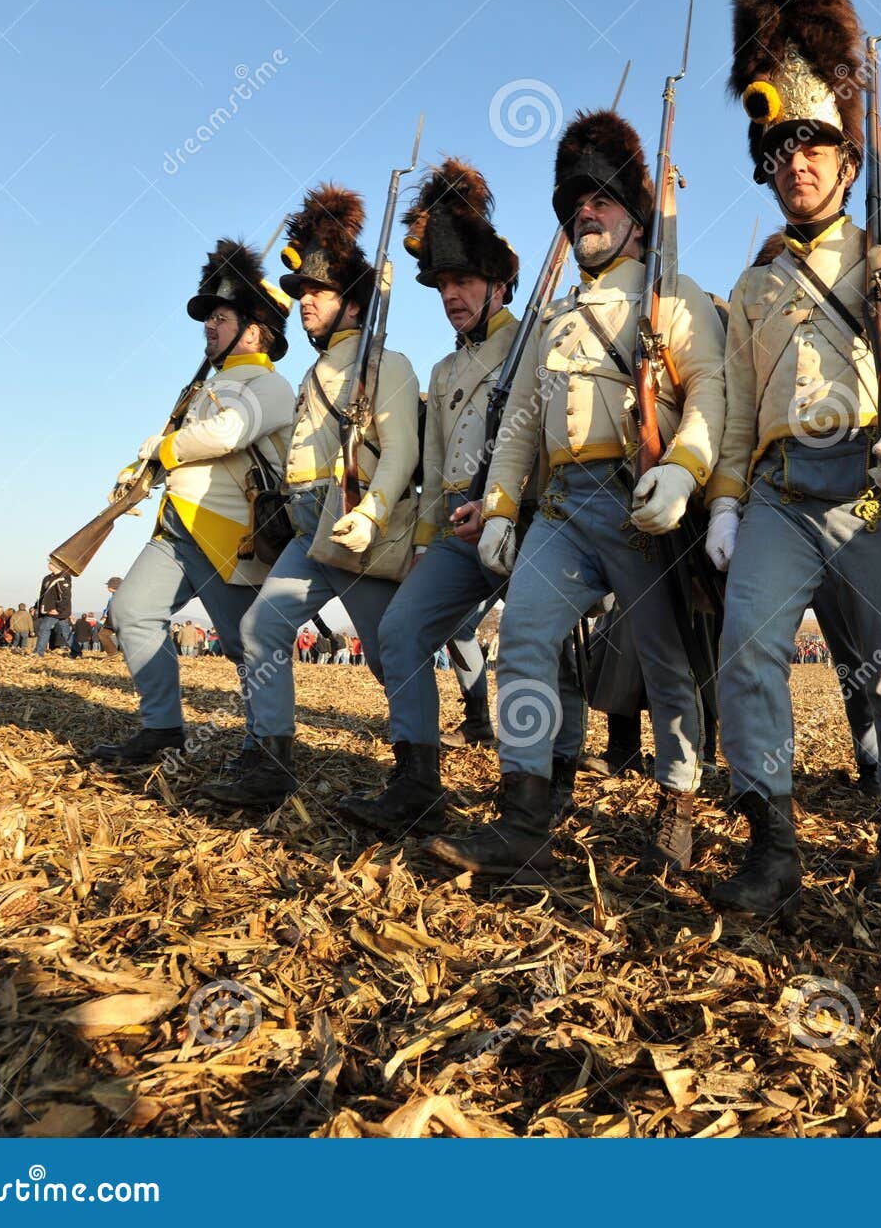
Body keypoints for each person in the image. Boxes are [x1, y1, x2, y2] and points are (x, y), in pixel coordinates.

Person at [699, 0, 881, 913]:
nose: (797, 162)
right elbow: (731, 412)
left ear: (849, 162)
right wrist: (726, 500)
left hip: (871, 479)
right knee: (746, 653)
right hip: (777, 489)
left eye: (815, 145)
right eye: (780, 150)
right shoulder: (752, 284)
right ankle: (771, 841)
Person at [422, 107, 726, 881]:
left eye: (604, 200)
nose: (586, 212)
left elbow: (713, 391)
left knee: (665, 659)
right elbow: (519, 429)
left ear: (635, 215)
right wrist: (497, 508)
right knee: (522, 639)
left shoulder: (675, 296)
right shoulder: (552, 319)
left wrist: (686, 467)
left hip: (640, 497)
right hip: (563, 505)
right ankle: (525, 817)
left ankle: (679, 800)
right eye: (574, 203)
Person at [340, 158, 584, 836]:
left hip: (529, 519)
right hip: (453, 525)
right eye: (444, 282)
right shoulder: (445, 369)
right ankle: (417, 780)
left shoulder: (537, 339)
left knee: (546, 641)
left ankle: (556, 773)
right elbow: (437, 465)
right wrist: (423, 543)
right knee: (400, 630)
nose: (453, 293)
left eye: (466, 280)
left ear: (501, 284)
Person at [202, 186, 420, 808]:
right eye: (302, 294)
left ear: (353, 305)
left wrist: (373, 512)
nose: (304, 304)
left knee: (389, 654)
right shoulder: (314, 372)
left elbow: (400, 452)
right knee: (261, 629)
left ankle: (416, 779)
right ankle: (269, 761)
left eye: (318, 294)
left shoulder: (387, 364)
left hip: (356, 526)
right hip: (306, 529)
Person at [89, 238, 296, 765]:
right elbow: (181, 445)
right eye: (211, 317)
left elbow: (229, 434)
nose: (210, 326)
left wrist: (163, 448)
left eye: (222, 318)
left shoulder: (272, 386)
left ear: (255, 331)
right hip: (179, 527)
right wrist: (138, 473)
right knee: (131, 611)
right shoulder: (204, 389)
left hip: (232, 535)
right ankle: (162, 727)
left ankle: (266, 749)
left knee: (247, 647)